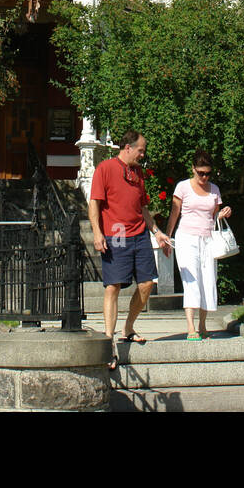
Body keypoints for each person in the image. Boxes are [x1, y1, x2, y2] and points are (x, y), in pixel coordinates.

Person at [89, 131, 173, 370]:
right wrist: (97, 232)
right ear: (127, 147)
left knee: (147, 284)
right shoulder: (104, 168)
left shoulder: (137, 173)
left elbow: (143, 207)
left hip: (139, 235)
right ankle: (108, 341)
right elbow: (94, 203)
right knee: (112, 286)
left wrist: (156, 231)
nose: (143, 154)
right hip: (116, 234)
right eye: (141, 150)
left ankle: (128, 327)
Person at [163, 150, 231, 340]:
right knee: (191, 280)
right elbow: (174, 214)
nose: (204, 177)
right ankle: (191, 327)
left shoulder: (214, 189)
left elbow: (213, 216)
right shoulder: (183, 187)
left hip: (208, 239)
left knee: (208, 280)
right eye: (200, 173)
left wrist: (223, 213)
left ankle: (202, 325)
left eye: (207, 173)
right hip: (187, 238)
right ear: (193, 169)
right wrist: (167, 238)